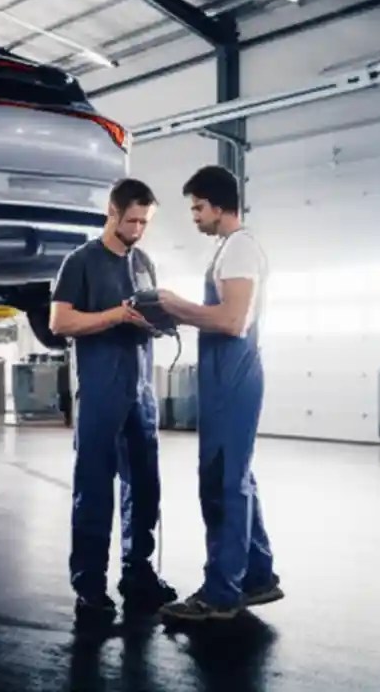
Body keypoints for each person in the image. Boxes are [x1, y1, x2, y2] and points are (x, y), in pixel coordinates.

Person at [154, 165, 284, 622]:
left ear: (217, 205)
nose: (194, 217)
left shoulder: (240, 248)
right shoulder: (230, 249)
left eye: (197, 208)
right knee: (237, 477)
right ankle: (258, 576)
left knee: (223, 482)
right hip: (225, 378)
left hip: (233, 378)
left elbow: (232, 321)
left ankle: (220, 593)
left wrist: (177, 307)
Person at [49, 177, 179, 626]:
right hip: (102, 389)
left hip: (141, 390)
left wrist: (157, 322)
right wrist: (116, 316)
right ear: (112, 212)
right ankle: (89, 587)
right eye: (133, 220)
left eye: (146, 222)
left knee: (145, 487)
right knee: (94, 490)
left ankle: (137, 574)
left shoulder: (143, 261)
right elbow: (60, 322)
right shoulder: (81, 262)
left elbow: (144, 311)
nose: (140, 229)